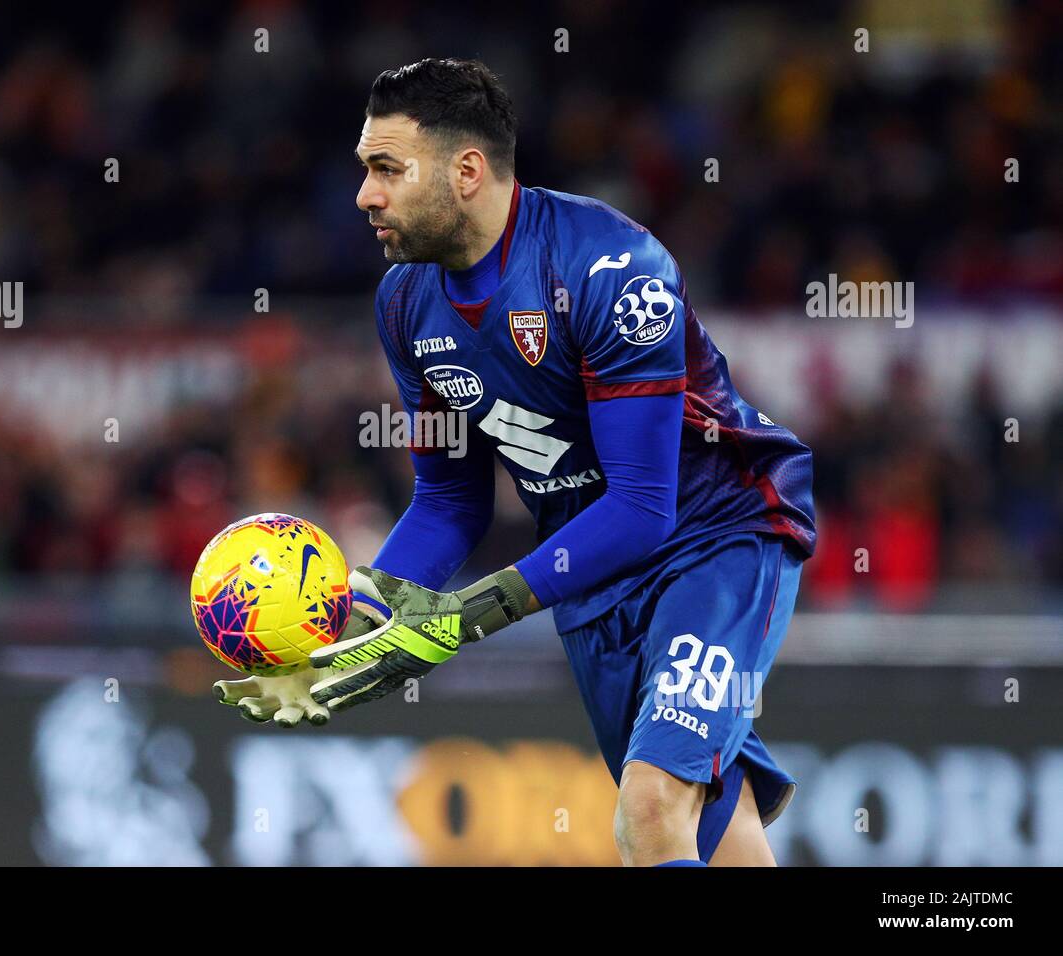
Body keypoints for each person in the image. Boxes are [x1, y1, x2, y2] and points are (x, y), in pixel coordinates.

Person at [216, 58, 814, 867]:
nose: (365, 195)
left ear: (466, 171)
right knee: (704, 823)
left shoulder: (610, 269)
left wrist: (467, 617)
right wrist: (367, 615)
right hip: (589, 564)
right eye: (365, 170)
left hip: (716, 532)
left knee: (651, 800)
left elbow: (644, 506)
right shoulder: (404, 303)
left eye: (386, 169)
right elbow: (447, 502)